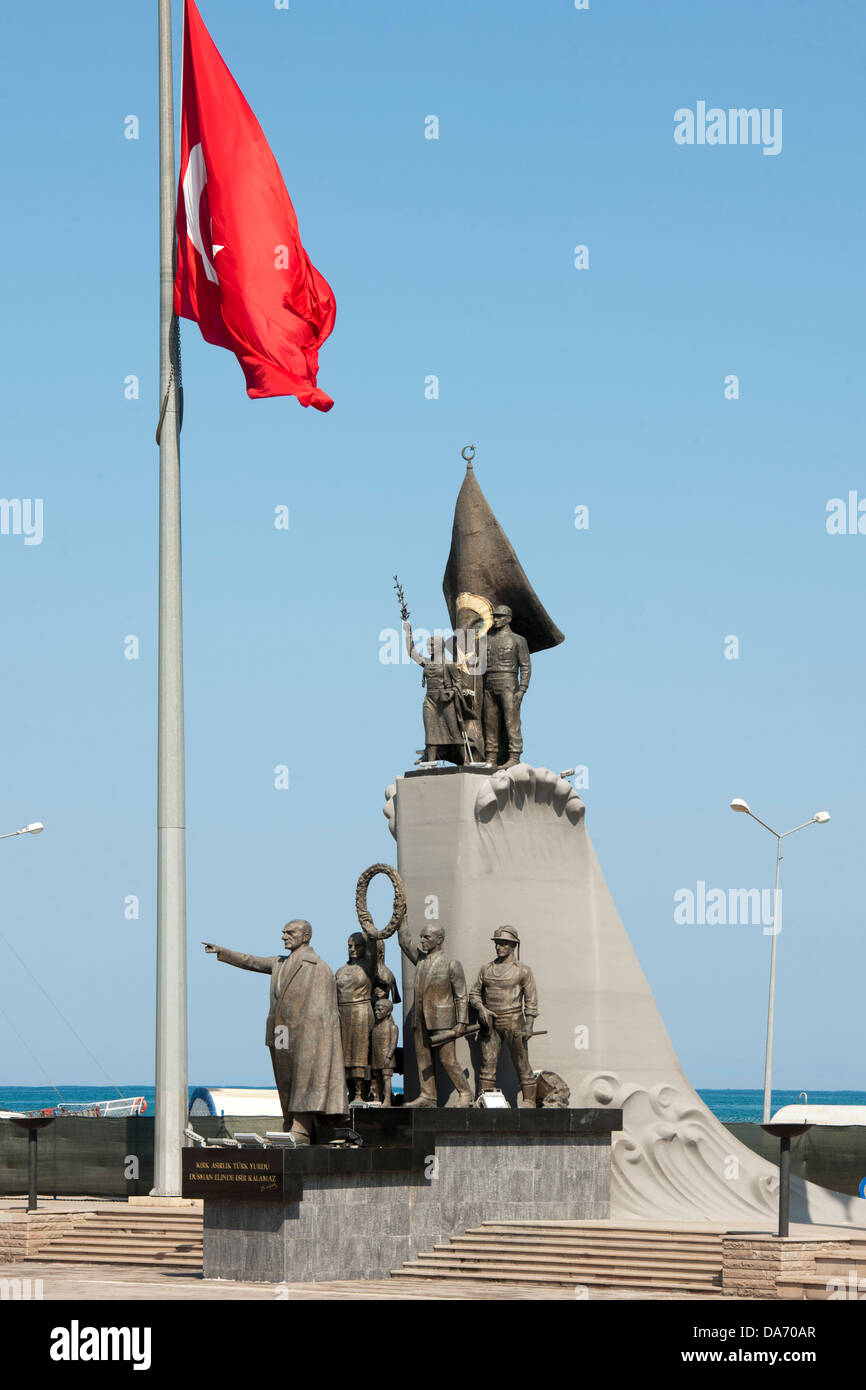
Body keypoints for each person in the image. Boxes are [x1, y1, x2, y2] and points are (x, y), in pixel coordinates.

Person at [203, 920, 346, 1145]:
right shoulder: (279, 963)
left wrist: (314, 1038)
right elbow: (251, 961)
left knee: (304, 1080)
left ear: (306, 936)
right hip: (280, 1034)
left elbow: (323, 1011)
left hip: (306, 1036)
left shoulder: (317, 966)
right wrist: (223, 952)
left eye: (290, 932)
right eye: (283, 932)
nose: (283, 936)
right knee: (285, 1081)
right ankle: (289, 1124)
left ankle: (302, 1130)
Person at [398, 919, 473, 1107]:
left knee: (447, 1060)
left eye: (427, 937)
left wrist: (461, 1023)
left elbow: (461, 995)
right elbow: (405, 943)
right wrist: (401, 919)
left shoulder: (452, 964)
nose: (422, 940)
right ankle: (428, 1096)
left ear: (439, 939)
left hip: (443, 1020)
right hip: (420, 1018)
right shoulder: (421, 961)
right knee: (423, 1060)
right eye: (421, 936)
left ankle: (465, 1093)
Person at [469, 926, 539, 1105]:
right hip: (490, 1024)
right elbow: (474, 994)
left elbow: (531, 1001)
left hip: (514, 1022)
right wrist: (482, 1009)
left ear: (513, 946)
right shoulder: (486, 969)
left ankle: (529, 1101)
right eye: (497, 943)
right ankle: (485, 1100)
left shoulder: (523, 971)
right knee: (487, 1065)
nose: (499, 947)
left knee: (521, 1062)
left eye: (503, 944)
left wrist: (529, 1025)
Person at [482, 605, 531, 768]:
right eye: (494, 617)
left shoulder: (518, 640)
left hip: (509, 681)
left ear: (508, 619)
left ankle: (514, 756)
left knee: (512, 721)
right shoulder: (486, 639)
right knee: (490, 722)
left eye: (500, 617)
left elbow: (525, 665)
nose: (495, 620)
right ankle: (491, 757)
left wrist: (522, 689)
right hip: (489, 681)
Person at [335, 932, 376, 1104]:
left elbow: (374, 949)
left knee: (358, 1054)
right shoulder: (341, 970)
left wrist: (367, 925)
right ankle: (347, 1092)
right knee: (341, 1055)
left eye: (357, 946)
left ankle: (360, 1093)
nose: (352, 949)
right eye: (349, 946)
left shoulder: (368, 967)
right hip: (341, 1013)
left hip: (360, 1011)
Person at [370, 996, 399, 1106]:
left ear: (388, 1012)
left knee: (386, 1078)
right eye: (375, 1010)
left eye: (380, 1010)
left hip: (387, 1058)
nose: (376, 1012)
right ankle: (378, 1097)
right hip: (376, 1057)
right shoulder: (375, 1027)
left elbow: (393, 1043)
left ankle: (387, 1100)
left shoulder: (393, 1027)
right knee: (377, 1078)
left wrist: (389, 1057)